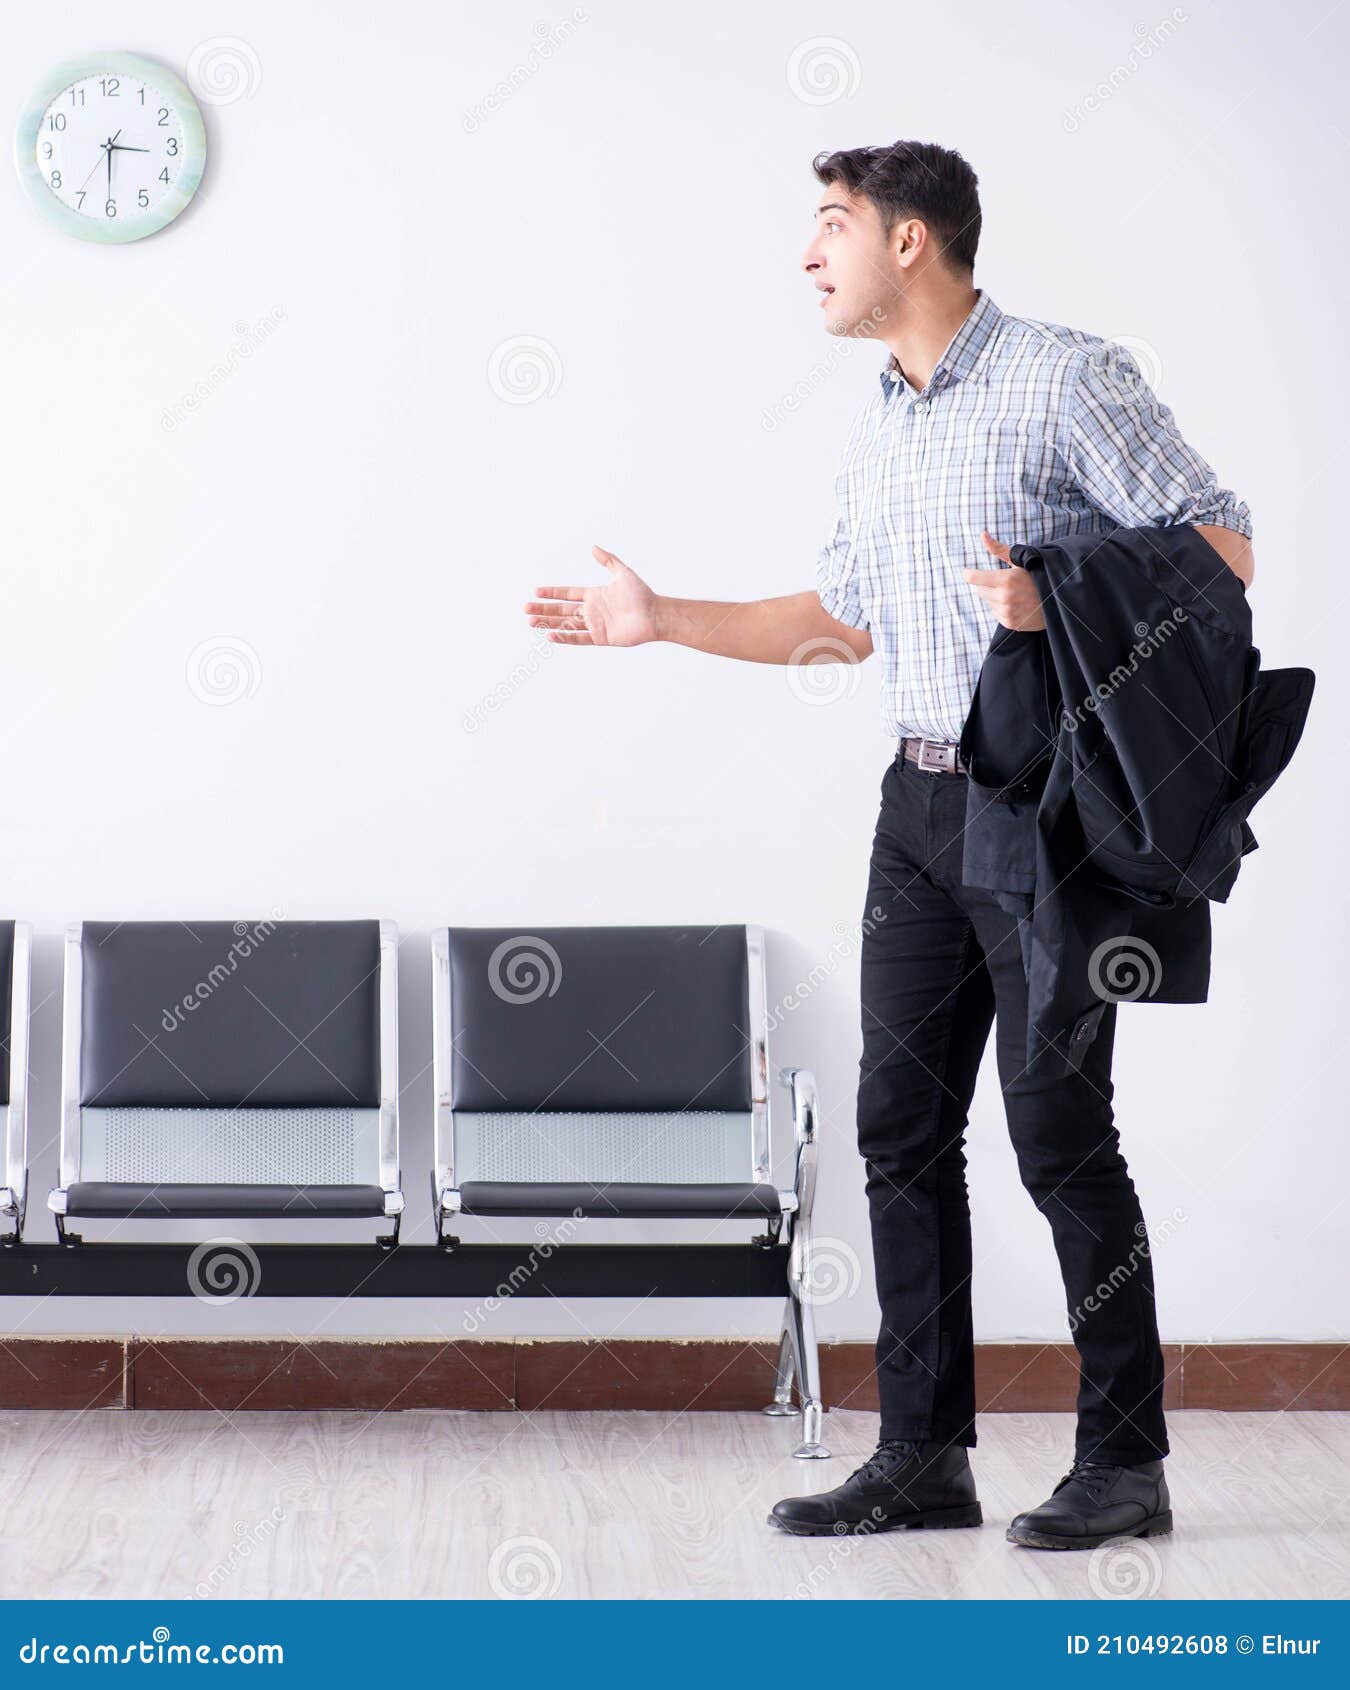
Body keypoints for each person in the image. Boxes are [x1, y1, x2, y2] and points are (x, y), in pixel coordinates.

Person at [523, 140, 1253, 1551]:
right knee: (896, 1134)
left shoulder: (1065, 375)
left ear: (909, 241)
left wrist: (1054, 592)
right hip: (917, 809)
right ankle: (922, 1454)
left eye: (829, 225)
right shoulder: (881, 417)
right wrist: (660, 615)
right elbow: (844, 623)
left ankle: (1124, 1463)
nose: (808, 256)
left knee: (1056, 1136)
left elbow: (1220, 548)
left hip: (1048, 819)